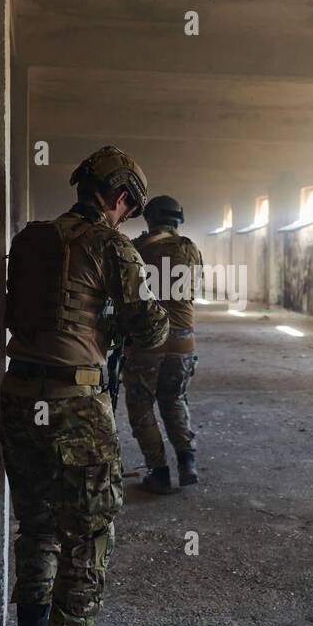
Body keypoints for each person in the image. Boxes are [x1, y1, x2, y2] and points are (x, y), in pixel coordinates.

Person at [0, 145, 168, 626]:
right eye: (128, 209)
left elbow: (12, 312)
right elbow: (150, 325)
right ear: (121, 199)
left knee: (38, 524)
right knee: (89, 533)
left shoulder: (29, 238)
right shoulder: (112, 244)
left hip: (20, 397)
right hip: (74, 402)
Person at [124, 195, 204, 494]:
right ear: (178, 219)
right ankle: (187, 461)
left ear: (149, 218)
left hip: (147, 343)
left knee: (142, 407)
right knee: (174, 399)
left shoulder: (135, 250)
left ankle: (158, 472)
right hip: (184, 341)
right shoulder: (191, 248)